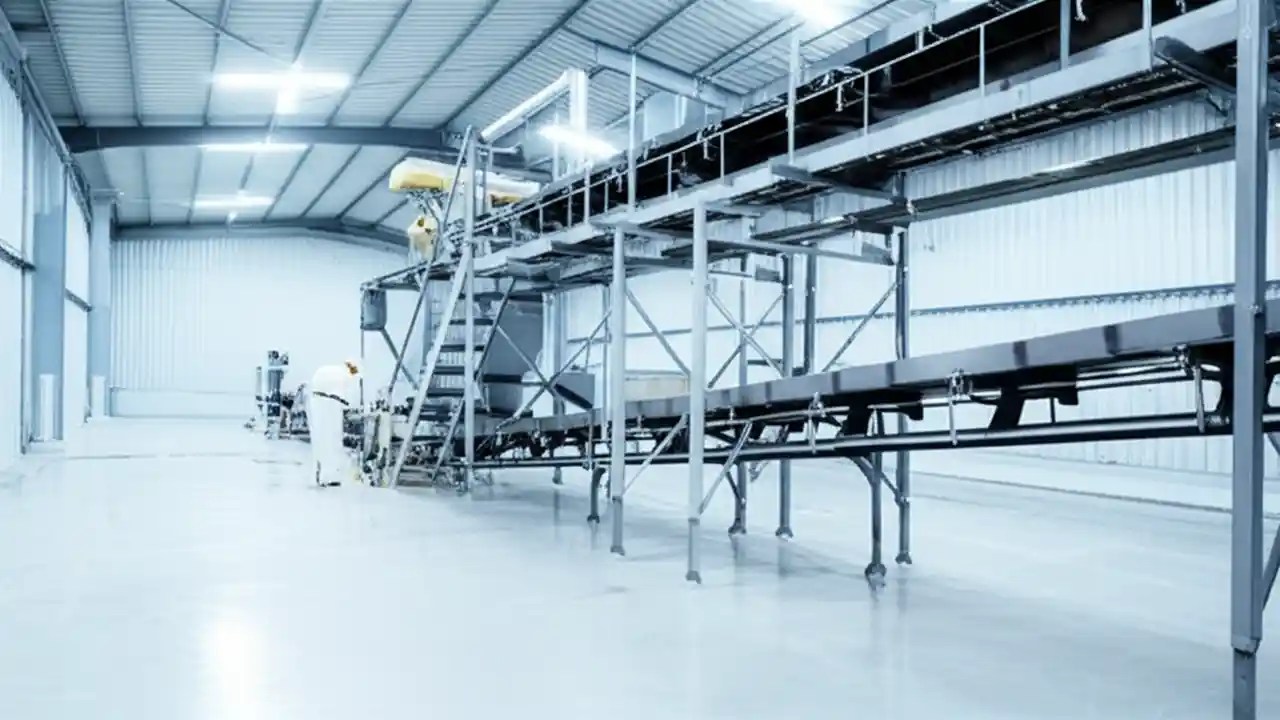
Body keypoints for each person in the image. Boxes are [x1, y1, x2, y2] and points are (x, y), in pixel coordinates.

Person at [308, 359, 360, 487]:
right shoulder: (342, 376)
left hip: (320, 401)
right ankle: (327, 476)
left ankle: (323, 475)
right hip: (327, 403)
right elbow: (346, 398)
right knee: (330, 440)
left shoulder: (334, 371)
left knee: (323, 440)